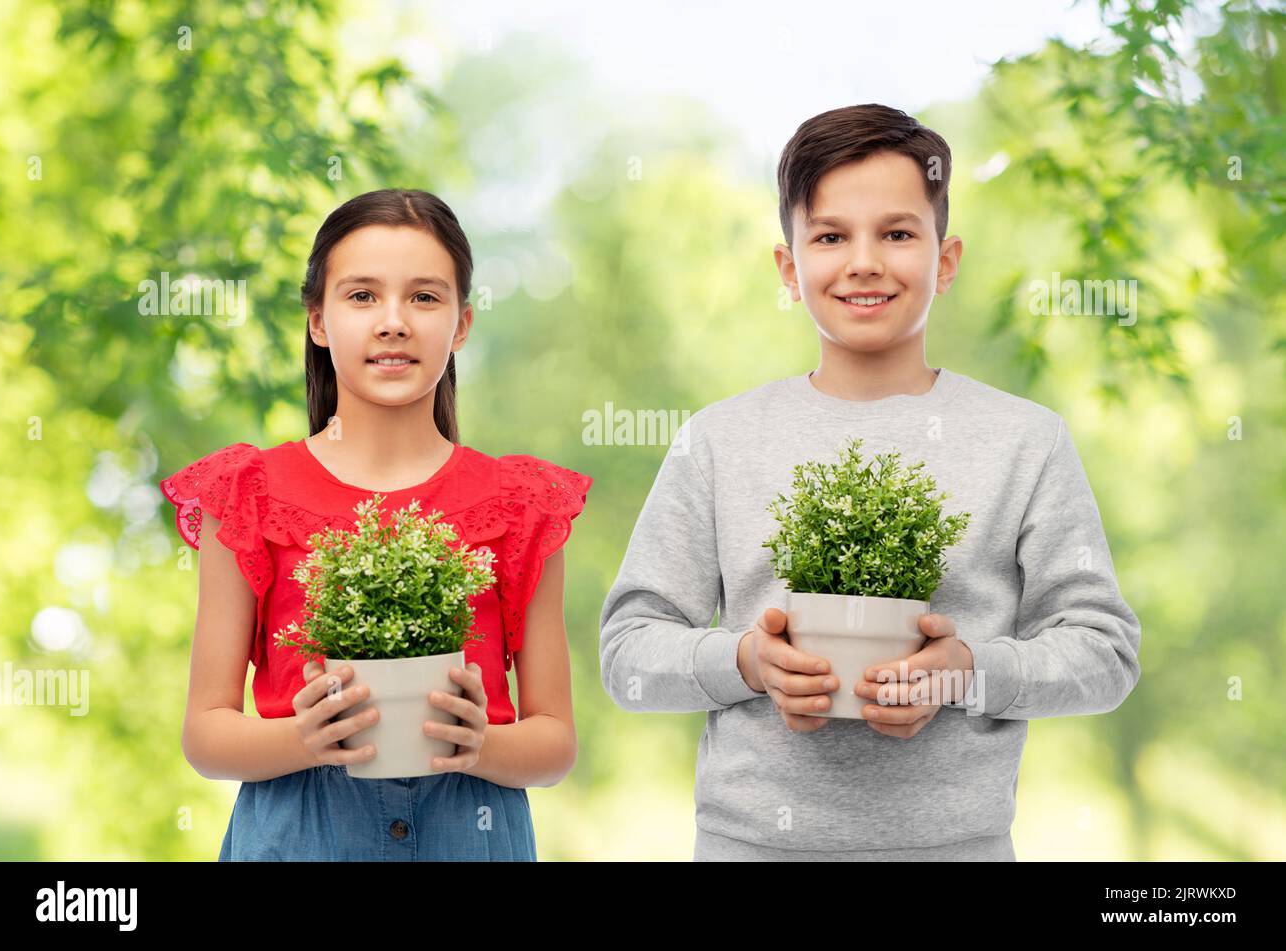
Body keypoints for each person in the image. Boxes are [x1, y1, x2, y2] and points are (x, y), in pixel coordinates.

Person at [598, 104, 1142, 861]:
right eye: (829, 236)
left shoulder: (1026, 440)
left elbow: (1104, 652)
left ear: (944, 260)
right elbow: (628, 654)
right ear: (788, 270)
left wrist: (970, 671)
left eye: (896, 233)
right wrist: (745, 662)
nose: (864, 261)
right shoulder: (717, 441)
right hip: (749, 846)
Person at [160, 188, 592, 860]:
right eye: (362, 295)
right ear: (318, 321)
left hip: (469, 824)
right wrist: (302, 738)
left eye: (424, 296)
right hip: (299, 828)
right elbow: (206, 734)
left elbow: (555, 741)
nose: (393, 321)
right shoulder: (248, 494)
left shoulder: (521, 503)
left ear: (462, 323)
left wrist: (480, 742)